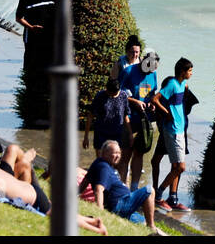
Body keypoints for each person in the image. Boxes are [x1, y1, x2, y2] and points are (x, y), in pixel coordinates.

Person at [80, 140, 159, 230]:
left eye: (119, 153)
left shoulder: (98, 163)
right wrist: (100, 213)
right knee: (149, 190)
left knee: (142, 221)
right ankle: (151, 226)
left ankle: (148, 225)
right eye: (115, 153)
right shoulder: (104, 167)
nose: (118, 156)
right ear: (105, 153)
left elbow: (85, 181)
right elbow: (99, 190)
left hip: (121, 205)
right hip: (120, 204)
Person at [148, 57, 192, 211]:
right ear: (182, 71)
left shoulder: (183, 85)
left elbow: (184, 103)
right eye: (190, 71)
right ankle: (158, 194)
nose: (191, 73)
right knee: (179, 167)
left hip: (180, 130)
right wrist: (166, 113)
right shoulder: (172, 84)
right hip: (171, 130)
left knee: (178, 166)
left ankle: (170, 197)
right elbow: (155, 99)